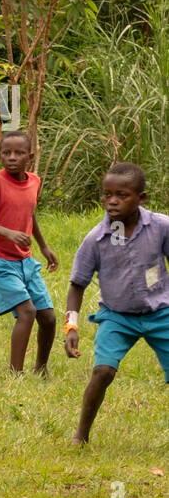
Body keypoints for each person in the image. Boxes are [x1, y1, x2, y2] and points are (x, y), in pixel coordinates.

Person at [64, 163, 169, 445]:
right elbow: (77, 285)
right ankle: (81, 435)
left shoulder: (161, 227)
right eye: (107, 194)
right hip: (117, 316)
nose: (112, 201)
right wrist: (71, 326)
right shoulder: (96, 240)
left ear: (141, 198)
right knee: (103, 371)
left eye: (122, 195)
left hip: (162, 313)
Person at [0, 130, 59, 374]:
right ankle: (15, 373)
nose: (12, 157)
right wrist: (7, 232)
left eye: (19, 153)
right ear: (0, 156)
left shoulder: (34, 182)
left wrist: (43, 245)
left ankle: (41, 368)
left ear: (29, 157)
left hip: (26, 260)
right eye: (6, 153)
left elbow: (30, 213)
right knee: (27, 312)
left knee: (48, 318)